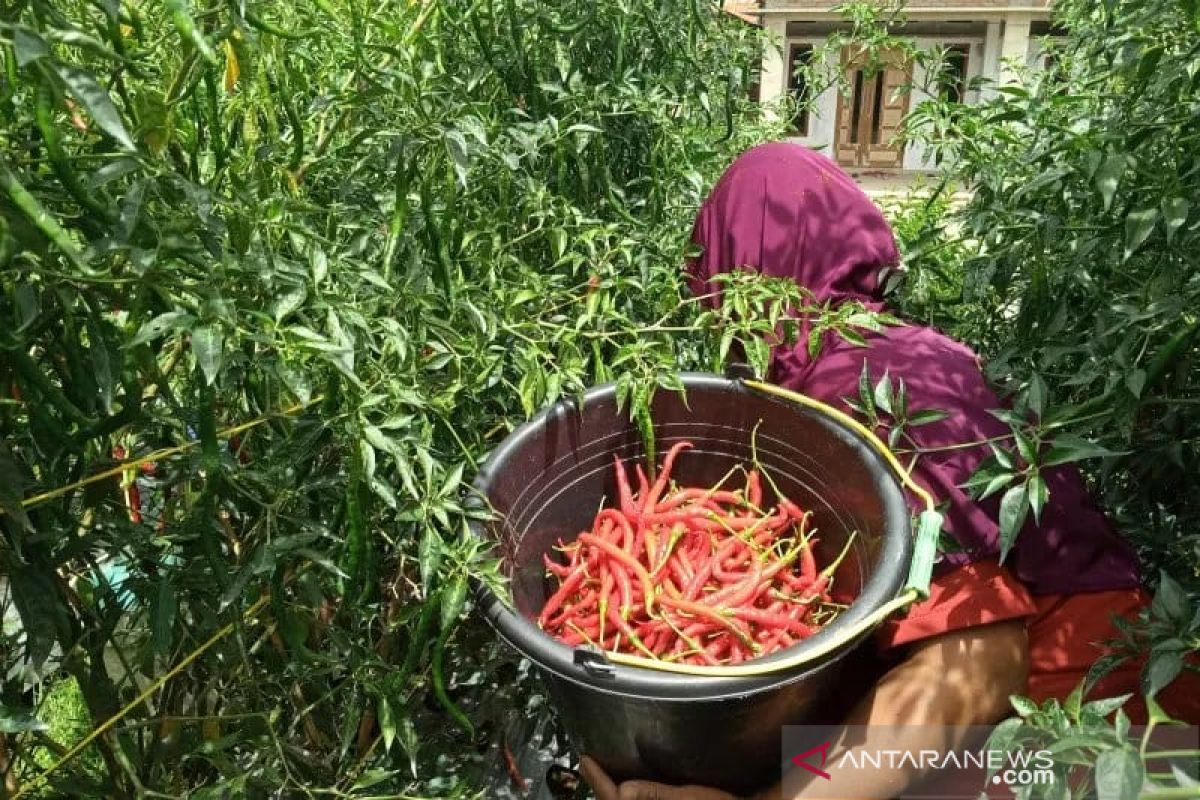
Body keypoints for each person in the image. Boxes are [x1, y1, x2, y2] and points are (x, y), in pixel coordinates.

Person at [580, 142, 1200, 800]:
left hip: (1097, 738)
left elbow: (978, 668)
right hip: (1117, 714)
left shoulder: (857, 387)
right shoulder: (902, 354)